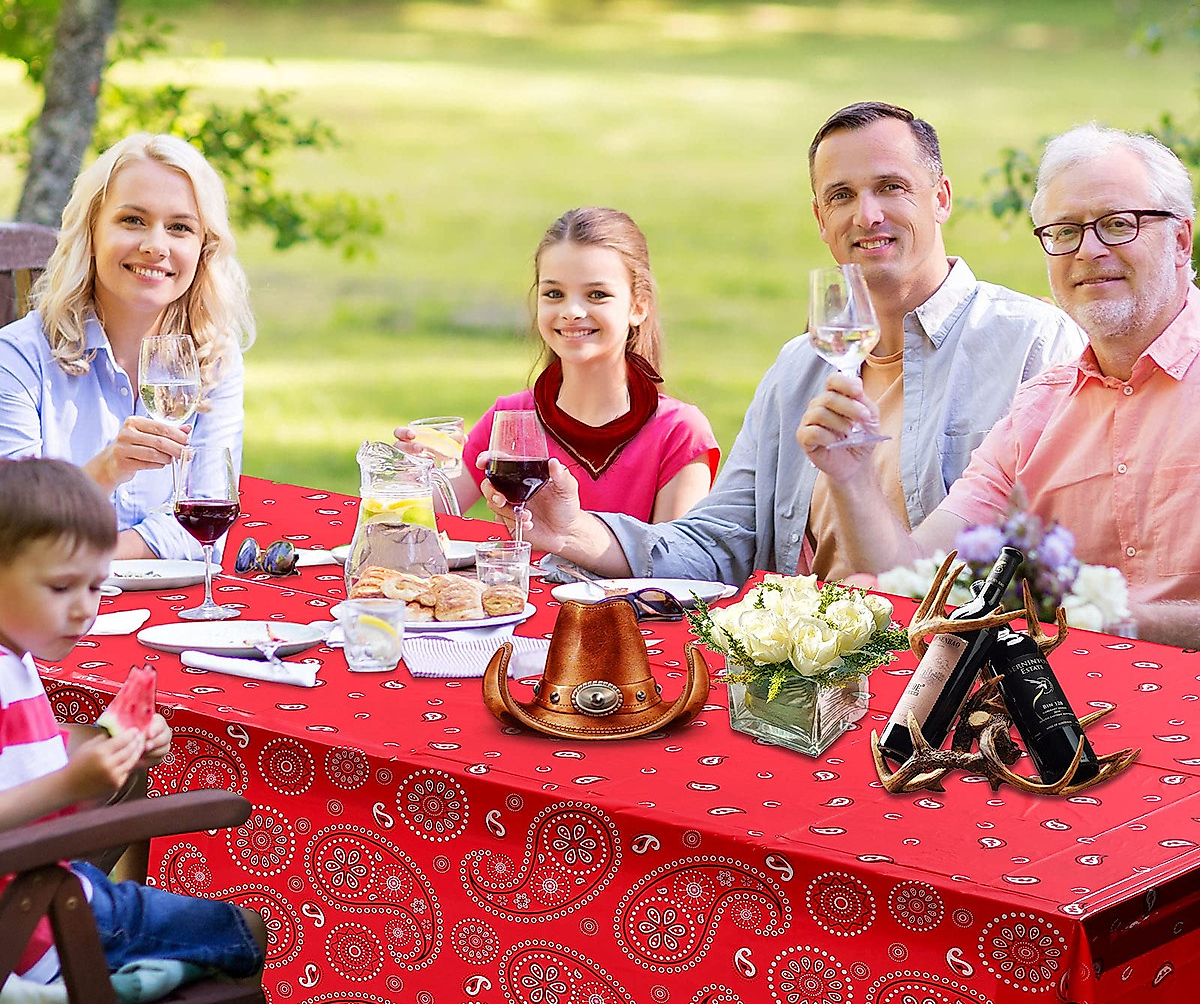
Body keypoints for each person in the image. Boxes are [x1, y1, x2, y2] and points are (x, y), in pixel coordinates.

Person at [488, 103, 1083, 583]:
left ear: (941, 198)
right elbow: (717, 542)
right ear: (820, 219)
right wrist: (574, 531)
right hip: (802, 672)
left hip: (952, 665)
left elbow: (1050, 560)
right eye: (841, 195)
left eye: (891, 187)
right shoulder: (800, 367)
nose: (867, 214)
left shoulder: (1032, 343)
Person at [798, 123, 1199, 647]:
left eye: (1118, 224)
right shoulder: (1038, 410)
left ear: (1180, 240)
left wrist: (1115, 620)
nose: (1088, 250)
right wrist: (851, 478)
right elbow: (910, 579)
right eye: (1064, 232)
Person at [0, 457, 265, 1004]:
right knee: (240, 934)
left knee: (178, 972)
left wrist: (102, 744)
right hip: (32, 926)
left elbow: (21, 765)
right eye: (61, 588)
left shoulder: (13, 657)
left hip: (41, 894)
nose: (83, 610)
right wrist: (73, 783)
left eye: (95, 587)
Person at [0, 133, 254, 560]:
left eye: (180, 227)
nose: (155, 246)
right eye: (133, 220)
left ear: (203, 248)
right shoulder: (18, 359)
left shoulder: (214, 359)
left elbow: (204, 524)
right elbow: (13, 532)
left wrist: (83, 558)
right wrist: (107, 470)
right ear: (91, 231)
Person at [396, 206, 719, 523]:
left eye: (596, 294)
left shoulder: (679, 433)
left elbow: (672, 556)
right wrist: (410, 476)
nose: (571, 311)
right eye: (554, 293)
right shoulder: (510, 419)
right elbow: (418, 521)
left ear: (638, 307)